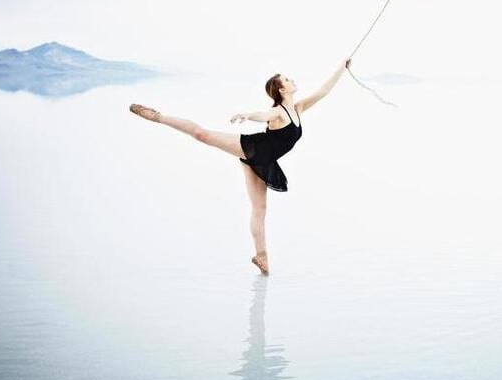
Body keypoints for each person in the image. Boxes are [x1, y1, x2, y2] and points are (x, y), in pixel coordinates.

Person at [129, 58, 352, 274]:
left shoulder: (299, 107)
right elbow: (264, 114)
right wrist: (249, 115)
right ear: (281, 90)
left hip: (264, 162)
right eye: (287, 79)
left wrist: (342, 67)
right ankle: (158, 117)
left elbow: (324, 91)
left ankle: (261, 256)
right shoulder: (278, 112)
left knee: (260, 210)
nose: (292, 80)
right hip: (252, 147)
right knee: (202, 135)